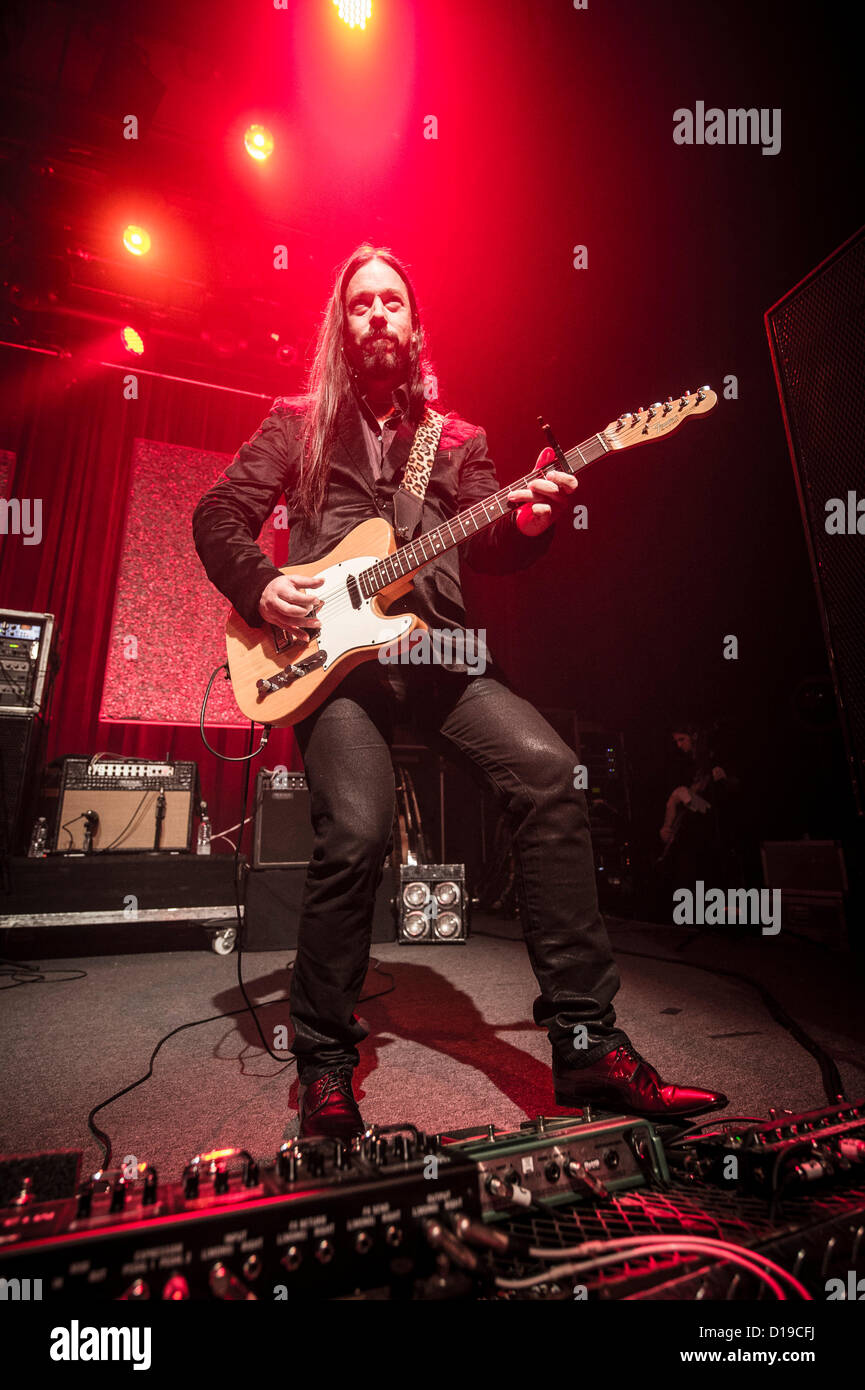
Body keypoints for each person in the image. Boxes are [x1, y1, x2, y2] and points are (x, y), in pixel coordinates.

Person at [192, 244, 727, 1139]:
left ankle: (589, 1043)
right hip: (327, 665)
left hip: (438, 655)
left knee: (550, 774)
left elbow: (495, 545)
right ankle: (324, 1061)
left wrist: (528, 523)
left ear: (413, 322)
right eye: (359, 302)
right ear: (340, 324)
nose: (376, 314)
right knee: (356, 830)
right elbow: (218, 514)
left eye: (391, 301)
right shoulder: (297, 421)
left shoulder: (460, 438)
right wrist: (258, 585)